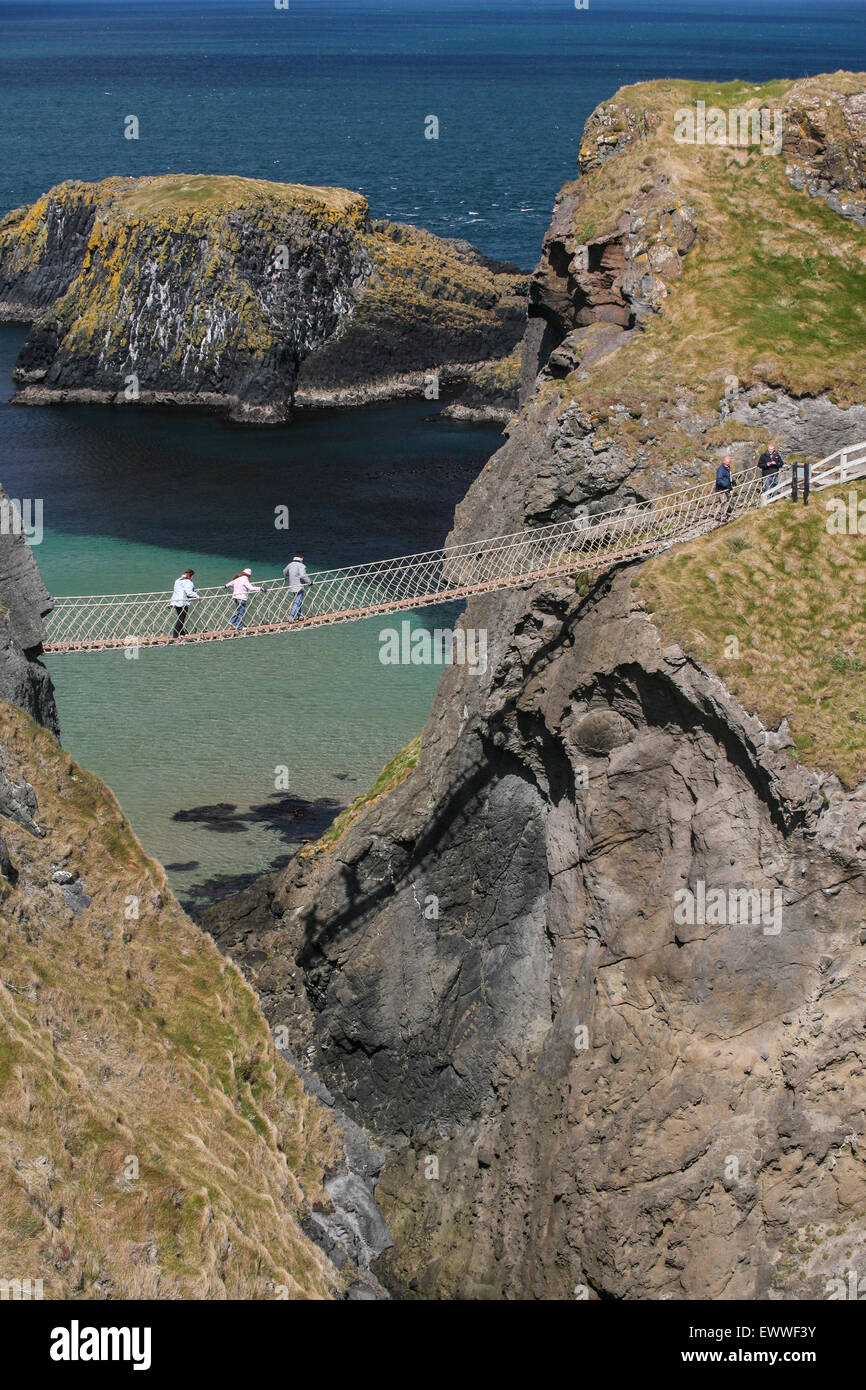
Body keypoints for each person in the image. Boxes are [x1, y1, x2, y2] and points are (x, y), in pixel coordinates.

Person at [170, 568, 201, 639]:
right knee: (182, 618)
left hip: (176, 601)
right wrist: (197, 596)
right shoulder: (188, 582)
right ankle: (175, 635)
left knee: (180, 617)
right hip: (182, 602)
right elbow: (189, 592)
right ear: (191, 575)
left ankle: (182, 632)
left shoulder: (178, 580)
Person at [283, 553, 312, 622]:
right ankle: (291, 617)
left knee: (298, 601)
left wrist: (290, 574)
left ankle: (300, 616)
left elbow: (284, 572)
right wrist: (310, 582)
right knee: (297, 602)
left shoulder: (290, 564)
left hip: (292, 586)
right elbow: (303, 575)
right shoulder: (301, 565)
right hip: (299, 586)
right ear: (302, 558)